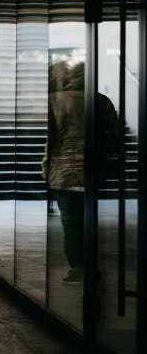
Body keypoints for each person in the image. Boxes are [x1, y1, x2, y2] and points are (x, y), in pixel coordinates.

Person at [41, 62, 117, 283]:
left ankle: (77, 268)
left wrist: (46, 169)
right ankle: (92, 267)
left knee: (70, 222)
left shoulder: (55, 101)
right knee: (89, 220)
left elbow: (51, 141)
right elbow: (114, 136)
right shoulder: (101, 101)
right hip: (92, 171)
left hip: (63, 171)